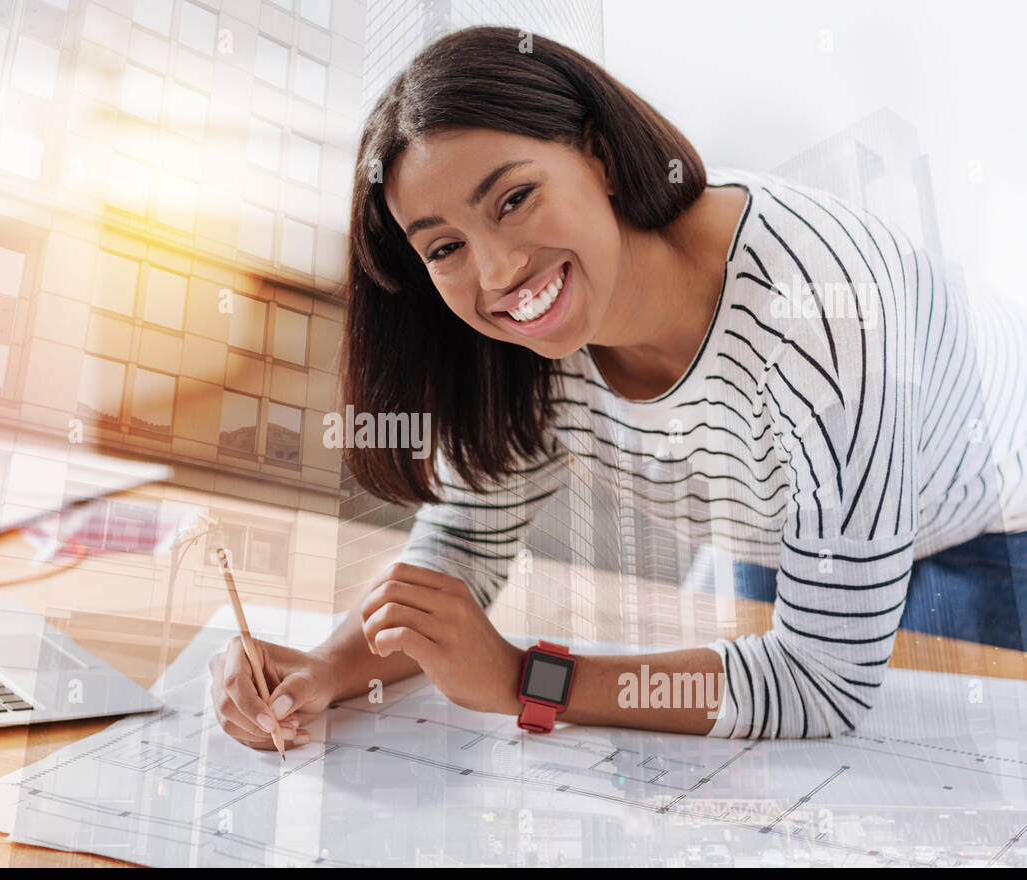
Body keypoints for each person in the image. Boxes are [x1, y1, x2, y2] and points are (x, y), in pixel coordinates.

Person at [208, 25, 1027, 750]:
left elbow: (821, 680)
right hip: (779, 531)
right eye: (445, 247)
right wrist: (325, 666)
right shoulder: (516, 341)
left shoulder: (823, 311)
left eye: (515, 198)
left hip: (989, 524)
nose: (497, 272)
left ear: (597, 154)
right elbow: (462, 545)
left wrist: (527, 681)